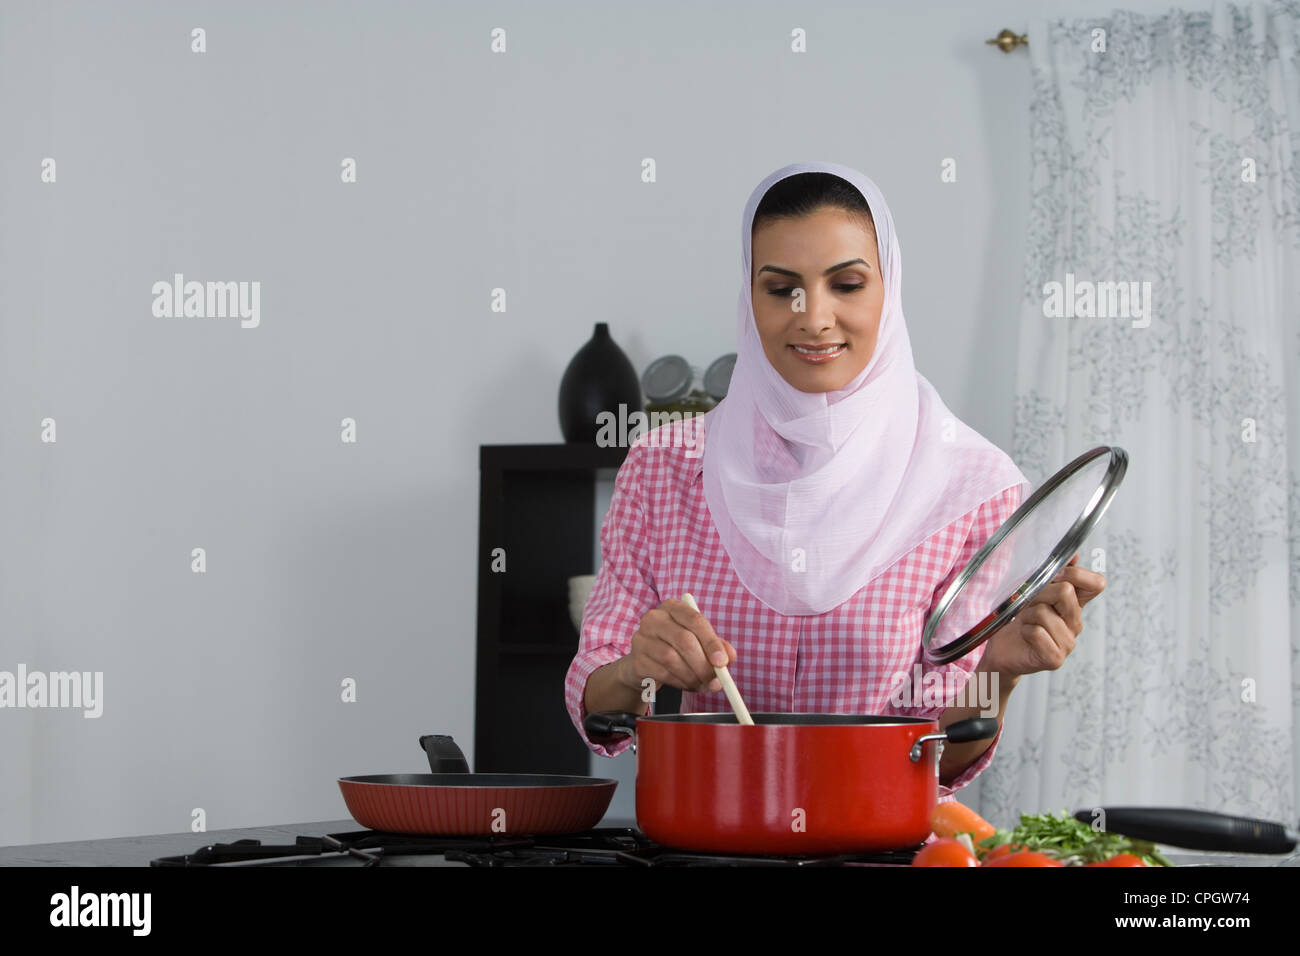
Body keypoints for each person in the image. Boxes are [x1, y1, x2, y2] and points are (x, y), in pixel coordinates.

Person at [563, 160, 1105, 794]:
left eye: (846, 284)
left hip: (885, 854)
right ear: (749, 296)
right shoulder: (664, 468)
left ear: (889, 288)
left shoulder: (973, 488)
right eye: (780, 288)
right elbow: (596, 704)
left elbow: (940, 763)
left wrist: (1003, 673)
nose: (813, 317)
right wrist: (638, 671)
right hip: (705, 843)